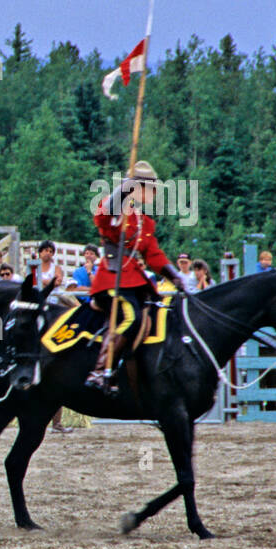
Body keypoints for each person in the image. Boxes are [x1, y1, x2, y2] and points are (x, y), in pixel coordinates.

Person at [84, 160, 187, 393]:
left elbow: (154, 254)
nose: (153, 192)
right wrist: (122, 190)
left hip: (136, 283)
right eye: (149, 187)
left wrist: (174, 276)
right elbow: (102, 215)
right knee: (131, 318)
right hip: (113, 280)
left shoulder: (146, 221)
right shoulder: (116, 211)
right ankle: (100, 371)